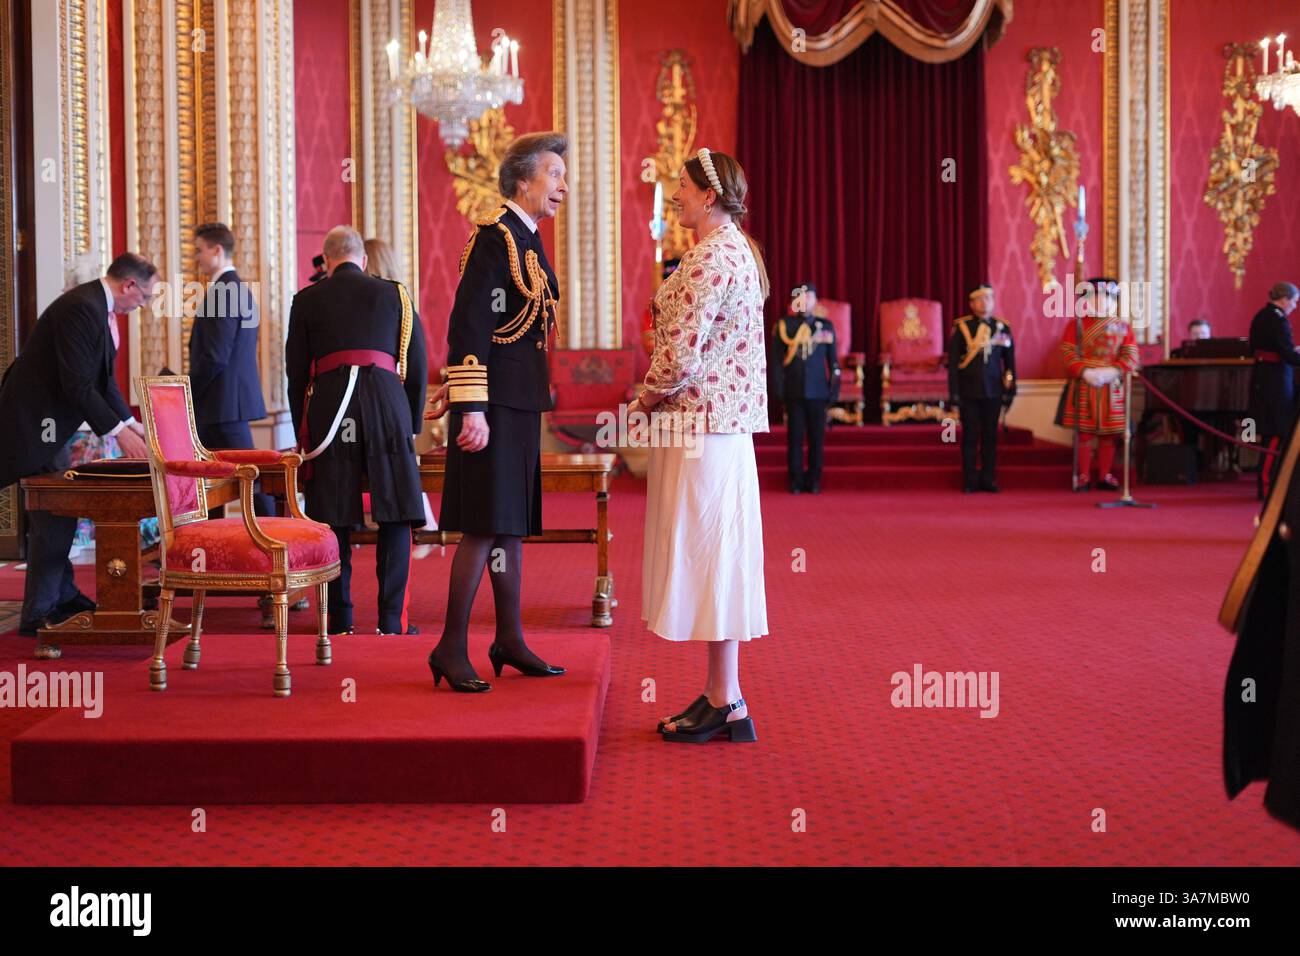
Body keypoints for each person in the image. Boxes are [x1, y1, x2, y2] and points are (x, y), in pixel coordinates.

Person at [431, 131, 569, 693]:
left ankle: (508, 639)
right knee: (484, 528)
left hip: (517, 405)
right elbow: (470, 327)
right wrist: (471, 409)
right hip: (491, 407)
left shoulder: (527, 238)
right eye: (553, 175)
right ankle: (449, 647)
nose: (562, 185)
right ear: (521, 180)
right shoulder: (495, 238)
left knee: (508, 529)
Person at [640, 147, 768, 743]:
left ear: (709, 196)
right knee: (720, 558)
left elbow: (681, 356)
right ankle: (724, 694)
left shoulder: (711, 258)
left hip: (702, 427)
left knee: (713, 559)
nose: (677, 197)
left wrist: (641, 401)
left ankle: (728, 699)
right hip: (717, 428)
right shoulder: (733, 249)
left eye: (684, 189)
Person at [0, 253, 157, 654]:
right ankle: (41, 611)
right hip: (32, 424)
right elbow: (76, 385)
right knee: (54, 513)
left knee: (55, 513)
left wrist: (132, 423)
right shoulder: (81, 309)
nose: (141, 307)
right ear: (130, 286)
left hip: (50, 428)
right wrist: (119, 434)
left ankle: (59, 596)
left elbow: (103, 384)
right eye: (142, 299)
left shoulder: (96, 308)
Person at [285, 226, 428, 635]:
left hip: (331, 408)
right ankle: (391, 621)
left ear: (327, 262)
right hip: (386, 405)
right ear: (363, 260)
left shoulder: (306, 299)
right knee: (396, 514)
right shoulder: (395, 293)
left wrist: (303, 431)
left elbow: (295, 374)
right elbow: (417, 363)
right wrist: (411, 424)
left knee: (333, 517)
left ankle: (339, 620)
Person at [189, 222, 271, 518]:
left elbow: (215, 357)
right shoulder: (236, 289)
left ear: (217, 250)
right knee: (218, 482)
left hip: (223, 405)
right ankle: (214, 547)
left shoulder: (224, 292)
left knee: (251, 479)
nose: (196, 257)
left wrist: (187, 390)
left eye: (199, 250)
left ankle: (276, 540)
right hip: (225, 403)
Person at [1055, 277, 1139, 491]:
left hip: (1112, 386)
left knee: (1108, 434)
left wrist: (1113, 371)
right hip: (1084, 383)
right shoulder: (1076, 325)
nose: (1101, 301)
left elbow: (1131, 356)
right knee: (1084, 432)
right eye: (1096, 297)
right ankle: (1083, 476)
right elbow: (1067, 353)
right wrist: (1084, 372)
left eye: (1106, 297)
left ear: (1114, 300)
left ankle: (1105, 474)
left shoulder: (1123, 327)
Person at [770, 282, 839, 494]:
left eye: (808, 297)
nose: (805, 301)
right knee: (795, 439)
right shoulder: (784, 326)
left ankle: (814, 480)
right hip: (794, 390)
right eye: (800, 298)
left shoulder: (825, 326)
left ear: (815, 301)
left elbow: (833, 362)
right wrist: (778, 390)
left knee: (817, 440)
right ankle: (795, 480)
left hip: (819, 392)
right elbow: (775, 362)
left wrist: (833, 390)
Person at [948, 283, 1016, 493]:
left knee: (990, 438)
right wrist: (954, 394)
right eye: (979, 299)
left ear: (993, 302)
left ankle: (988, 479)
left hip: (993, 391)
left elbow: (1010, 364)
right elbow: (952, 365)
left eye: (988, 298)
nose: (983, 302)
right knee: (969, 437)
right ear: (971, 303)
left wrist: (1010, 391)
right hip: (969, 391)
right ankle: (969, 479)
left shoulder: (1002, 328)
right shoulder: (962, 328)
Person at [1247, 281, 1300, 499]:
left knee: (1272, 432)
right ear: (1285, 299)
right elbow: (1286, 353)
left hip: (1267, 377)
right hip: (1275, 381)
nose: (1295, 306)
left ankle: (1268, 483)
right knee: (1276, 432)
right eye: (1295, 302)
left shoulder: (1262, 315)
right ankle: (1268, 485)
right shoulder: (1277, 320)